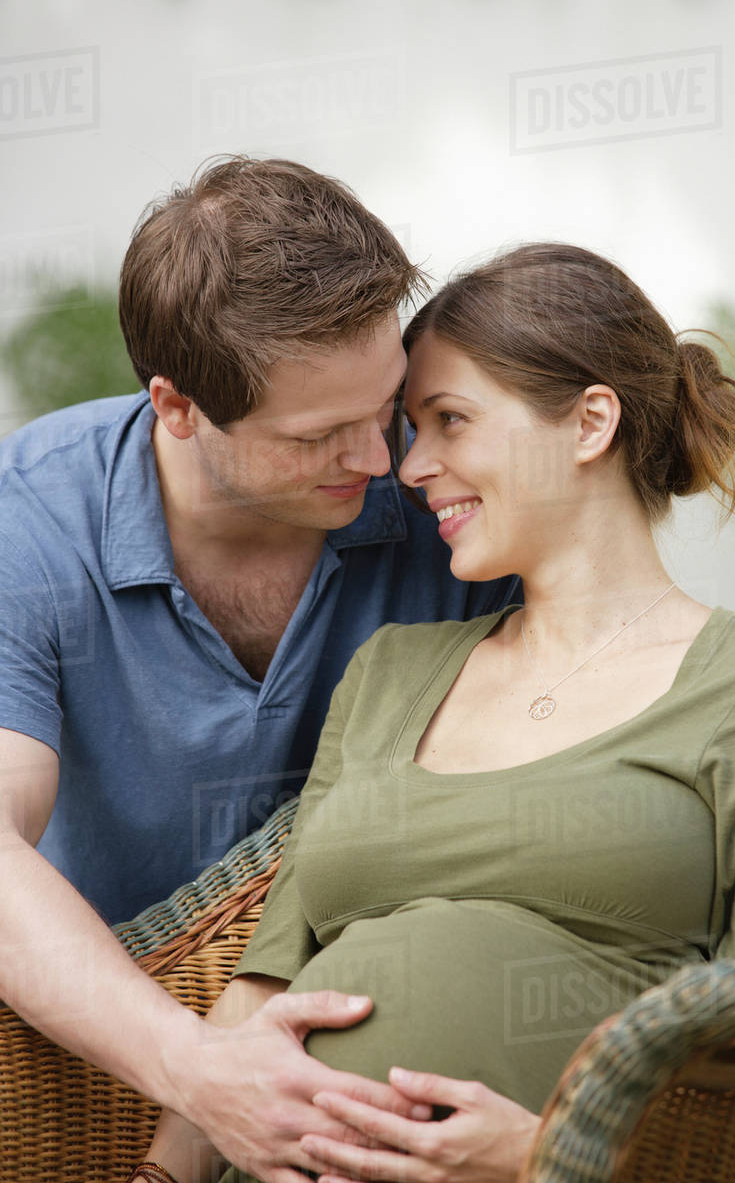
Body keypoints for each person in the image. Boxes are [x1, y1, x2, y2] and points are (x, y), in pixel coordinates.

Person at [141, 242, 735, 1183]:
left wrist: (548, 1156)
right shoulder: (390, 672)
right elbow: (260, 984)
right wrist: (162, 1176)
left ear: (589, 423)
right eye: (412, 429)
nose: (411, 470)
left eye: (449, 421)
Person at [0, 159, 519, 1169]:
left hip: (397, 1052)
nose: (381, 463)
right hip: (84, 1067)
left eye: (385, 408)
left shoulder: (442, 490)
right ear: (177, 406)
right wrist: (200, 1072)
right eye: (317, 436)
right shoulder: (28, 520)